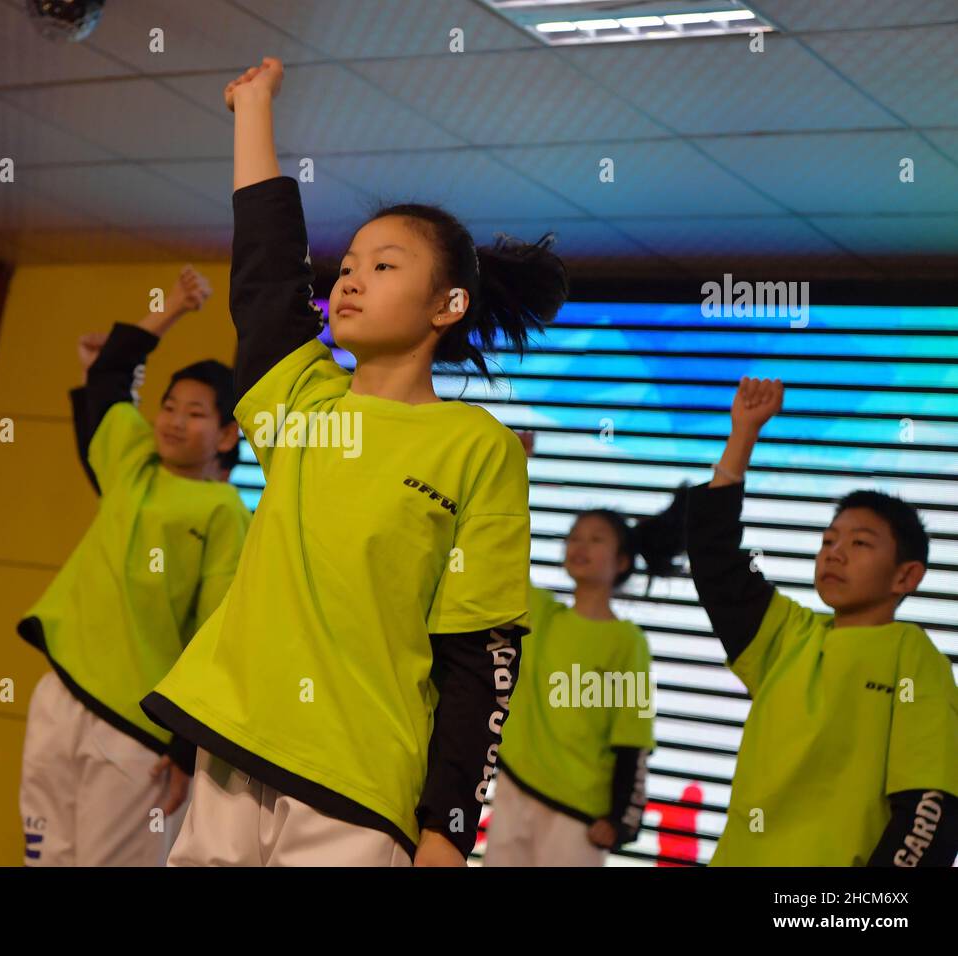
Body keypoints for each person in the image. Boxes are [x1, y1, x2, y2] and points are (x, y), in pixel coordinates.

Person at [141, 57, 569, 867]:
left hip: (359, 794)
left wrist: (448, 830)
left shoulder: (475, 445)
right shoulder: (301, 402)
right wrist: (253, 110)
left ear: (449, 305)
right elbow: (267, 273)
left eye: (384, 266)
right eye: (347, 266)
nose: (351, 280)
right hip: (231, 753)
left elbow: (484, 652)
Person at [18, 267, 251, 866]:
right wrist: (172, 307)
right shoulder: (131, 463)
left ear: (227, 436)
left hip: (137, 729)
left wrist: (182, 749)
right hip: (60, 692)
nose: (173, 420)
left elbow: (215, 638)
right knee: (43, 858)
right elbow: (112, 371)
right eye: (169, 406)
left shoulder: (224, 509)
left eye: (196, 414)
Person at [687, 376, 958, 866]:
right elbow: (714, 558)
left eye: (860, 543)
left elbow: (929, 809)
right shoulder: (787, 633)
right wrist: (743, 433)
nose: (835, 554)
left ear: (906, 576)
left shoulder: (913, 657)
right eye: (829, 540)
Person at [487, 433, 685, 865]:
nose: (580, 546)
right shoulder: (539, 612)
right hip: (514, 790)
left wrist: (620, 819)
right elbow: (497, 547)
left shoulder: (626, 640)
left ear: (621, 562)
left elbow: (631, 734)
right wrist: (512, 470)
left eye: (596, 539)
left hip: (580, 816)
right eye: (575, 537)